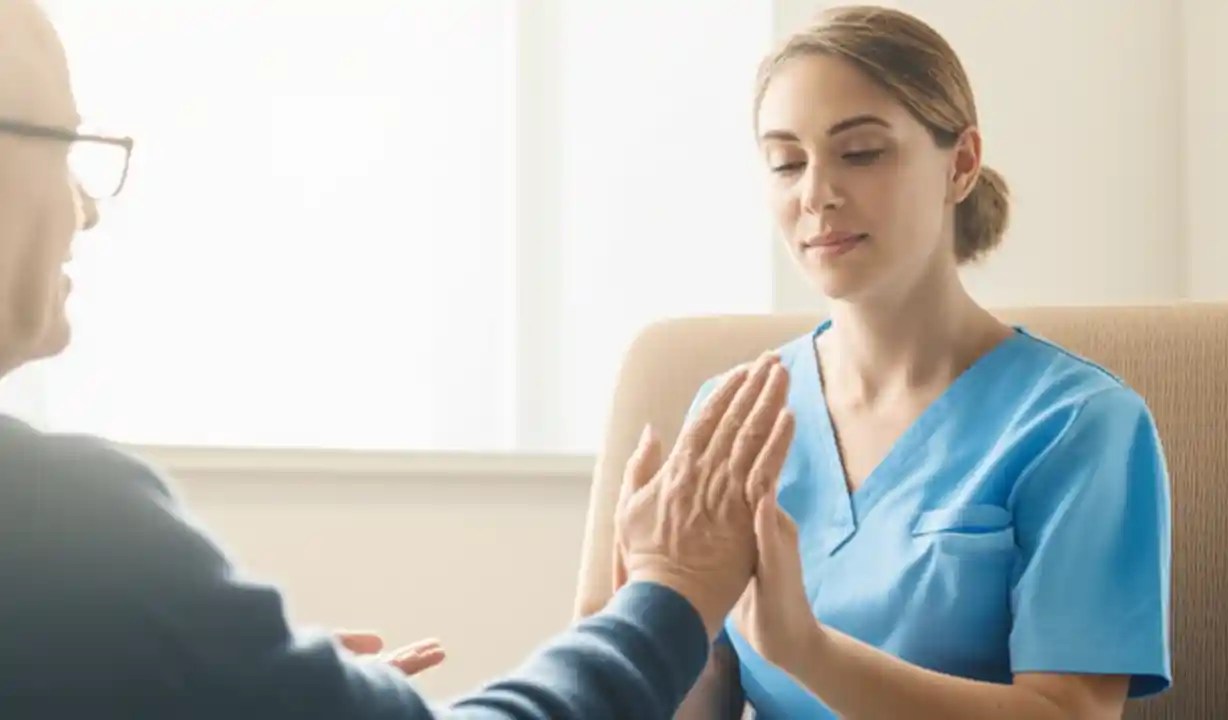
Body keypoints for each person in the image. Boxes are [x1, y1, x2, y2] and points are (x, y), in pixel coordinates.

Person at [0, 1, 800, 717]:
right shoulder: (58, 522)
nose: (88, 208)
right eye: (67, 147)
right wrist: (668, 594)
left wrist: (251, 685)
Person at [577, 5, 1173, 719]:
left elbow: (1073, 713)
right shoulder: (735, 415)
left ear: (961, 163)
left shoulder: (1079, 425)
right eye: (787, 162)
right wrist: (642, 633)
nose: (817, 194)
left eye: (859, 154)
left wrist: (809, 653)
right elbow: (703, 696)